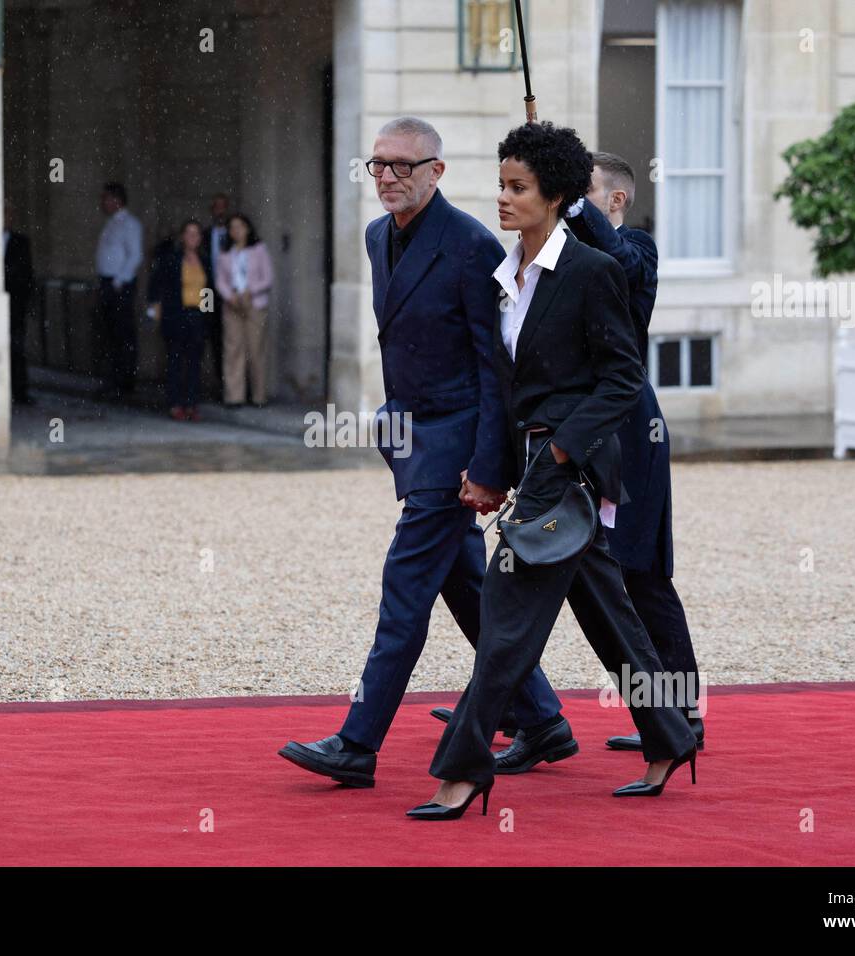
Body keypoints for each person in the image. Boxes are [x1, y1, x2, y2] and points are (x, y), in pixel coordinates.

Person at [408, 122, 698, 820]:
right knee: (610, 616)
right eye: (502, 185)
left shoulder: (595, 272)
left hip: (568, 473)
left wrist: (563, 452)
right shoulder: (504, 278)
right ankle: (669, 733)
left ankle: (464, 769)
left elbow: (623, 378)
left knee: (506, 621)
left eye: (519, 188)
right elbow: (506, 390)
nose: (503, 198)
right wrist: (493, 471)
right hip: (534, 468)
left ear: (558, 196)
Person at [278, 117, 574, 790]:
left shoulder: (473, 246)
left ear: (436, 171)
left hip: (456, 450)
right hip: (410, 440)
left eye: (402, 166)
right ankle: (542, 718)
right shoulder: (377, 235)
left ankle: (358, 743)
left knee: (403, 591)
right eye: (377, 165)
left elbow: (493, 366)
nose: (387, 177)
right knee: (466, 588)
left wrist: (488, 464)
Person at [568, 152, 706, 750]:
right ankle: (521, 709)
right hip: (574, 430)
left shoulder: (636, 248)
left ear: (615, 201)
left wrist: (572, 202)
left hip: (631, 434)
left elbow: (622, 269)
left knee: (640, 575)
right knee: (566, 574)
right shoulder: (566, 253)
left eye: (585, 191)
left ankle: (682, 718)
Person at [147, 219, 210, 421]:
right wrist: (155, 306)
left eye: (196, 234)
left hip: (197, 314)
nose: (193, 238)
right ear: (183, 237)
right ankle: (175, 403)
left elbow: (209, 289)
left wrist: (206, 314)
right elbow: (156, 283)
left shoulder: (205, 260)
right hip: (176, 314)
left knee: (194, 362)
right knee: (175, 360)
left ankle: (191, 403)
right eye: (189, 234)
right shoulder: (172, 258)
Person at [214, 213, 273, 407]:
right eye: (232, 227)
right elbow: (219, 280)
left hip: (254, 303)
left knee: (256, 350)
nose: (236, 231)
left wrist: (251, 290)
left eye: (240, 226)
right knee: (233, 350)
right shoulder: (225, 253)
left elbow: (268, 278)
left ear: (247, 228)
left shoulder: (259, 249)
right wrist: (228, 295)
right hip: (232, 304)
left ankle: (258, 395)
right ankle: (234, 396)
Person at [94, 182, 143, 399]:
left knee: (123, 334)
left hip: (119, 285)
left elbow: (135, 255)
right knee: (110, 334)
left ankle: (124, 381)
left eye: (106, 198)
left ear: (116, 200)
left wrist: (119, 281)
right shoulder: (111, 223)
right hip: (108, 282)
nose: (103, 203)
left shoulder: (129, 224)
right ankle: (113, 379)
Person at [4, 199, 35, 405]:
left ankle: (19, 391)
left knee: (16, 347)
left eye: (8, 213)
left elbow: (27, 274)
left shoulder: (21, 241)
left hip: (15, 303)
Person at [201, 193, 230, 402]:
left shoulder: (233, 234)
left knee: (227, 336)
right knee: (208, 331)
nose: (219, 212)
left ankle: (228, 382)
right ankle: (213, 381)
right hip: (208, 290)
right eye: (216, 207)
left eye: (223, 207)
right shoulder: (205, 234)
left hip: (228, 291)